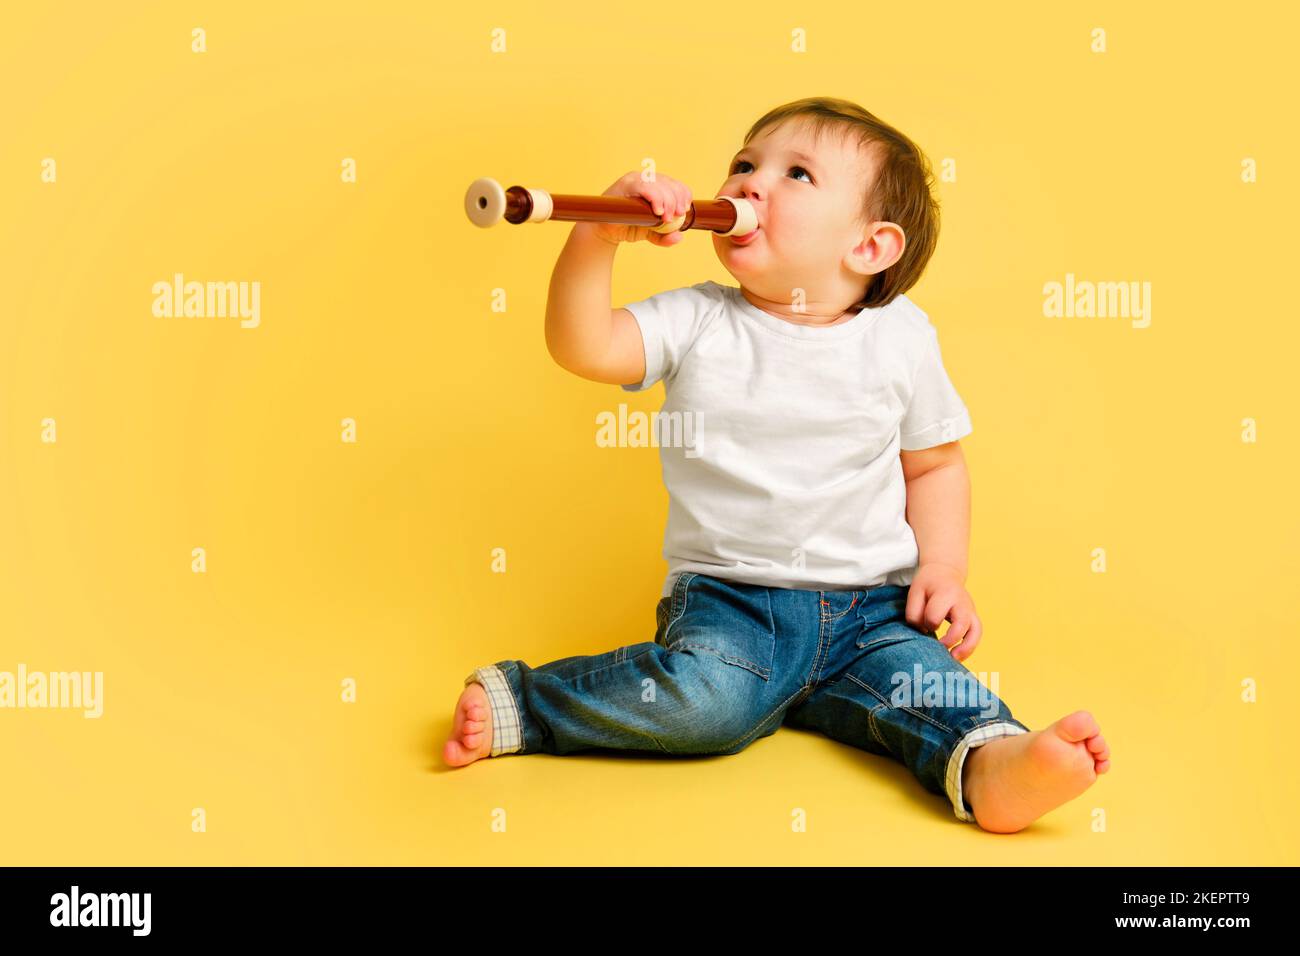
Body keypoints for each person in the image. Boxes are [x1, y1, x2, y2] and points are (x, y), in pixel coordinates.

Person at [444, 96, 1110, 833]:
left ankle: (992, 763)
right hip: (731, 605)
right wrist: (597, 234)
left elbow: (935, 466)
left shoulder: (902, 337)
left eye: (796, 174)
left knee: (933, 688)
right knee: (706, 707)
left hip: (873, 611)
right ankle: (527, 703)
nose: (749, 184)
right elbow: (583, 345)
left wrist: (945, 569)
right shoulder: (698, 319)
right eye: (743, 164)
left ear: (870, 247)